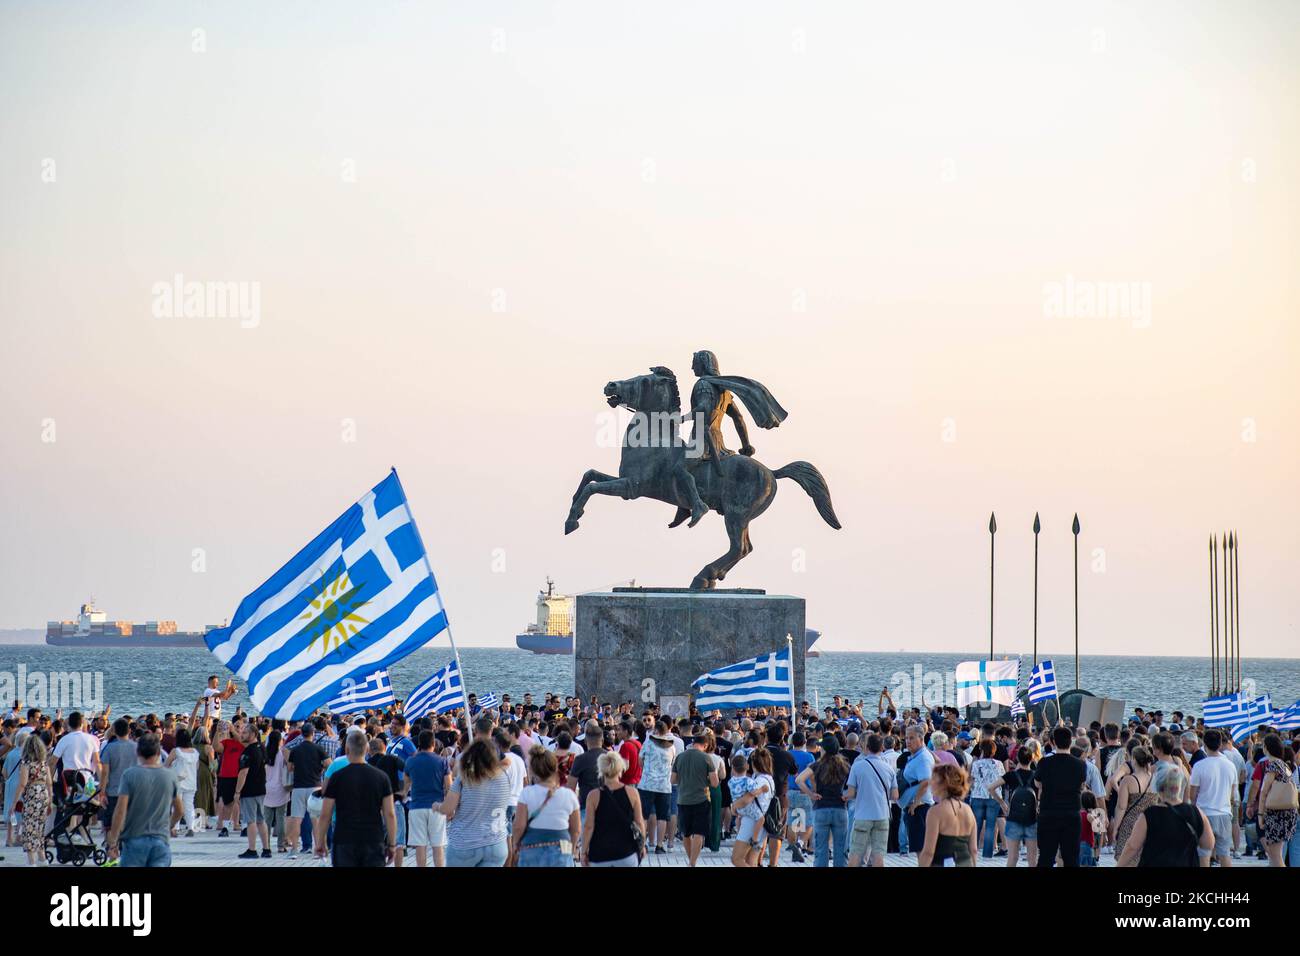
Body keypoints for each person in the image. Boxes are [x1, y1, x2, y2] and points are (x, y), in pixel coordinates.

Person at [316, 730, 397, 867]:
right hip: (373, 839)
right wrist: (392, 844)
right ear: (366, 749)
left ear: (346, 749)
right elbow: (389, 814)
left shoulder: (337, 777)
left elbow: (325, 814)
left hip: (344, 840)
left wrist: (320, 842)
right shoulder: (381, 777)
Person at [107, 734, 183, 868]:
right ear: (159, 752)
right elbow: (179, 810)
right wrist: (168, 826)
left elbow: (120, 811)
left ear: (138, 752)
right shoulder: (170, 776)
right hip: (160, 839)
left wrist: (113, 841)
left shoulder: (130, 775)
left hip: (134, 839)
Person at [1117, 762, 1214, 867]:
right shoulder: (1196, 812)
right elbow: (1209, 844)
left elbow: (1132, 846)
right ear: (1180, 785)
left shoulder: (1150, 814)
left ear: (1158, 787)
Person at [443, 739, 512, 867]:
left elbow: (448, 809)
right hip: (496, 843)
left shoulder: (465, 777)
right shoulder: (504, 777)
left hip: (465, 844)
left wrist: (437, 807)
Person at [512, 745, 581, 867]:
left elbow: (519, 826)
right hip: (562, 849)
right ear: (555, 768)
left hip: (531, 849)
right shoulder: (569, 795)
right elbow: (575, 830)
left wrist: (516, 845)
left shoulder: (527, 793)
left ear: (533, 770)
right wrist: (571, 849)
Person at [582, 750, 646, 867]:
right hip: (627, 853)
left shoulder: (593, 796)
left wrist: (583, 851)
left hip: (599, 854)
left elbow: (588, 826)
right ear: (620, 768)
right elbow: (639, 822)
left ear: (601, 770)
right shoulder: (632, 793)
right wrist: (642, 846)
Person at [1034, 725, 1086, 867]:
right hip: (1071, 815)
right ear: (1071, 741)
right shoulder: (1080, 765)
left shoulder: (1044, 762)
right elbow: (1082, 785)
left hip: (1048, 813)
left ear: (1053, 742)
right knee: (1071, 858)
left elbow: (1037, 783)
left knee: (1046, 856)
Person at [796, 735, 850, 867]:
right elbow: (855, 785)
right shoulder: (845, 766)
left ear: (825, 749)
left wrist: (811, 794)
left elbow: (799, 780)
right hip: (840, 809)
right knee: (840, 849)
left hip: (821, 808)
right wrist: (847, 795)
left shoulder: (817, 765)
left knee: (820, 849)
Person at [844, 733, 896, 867]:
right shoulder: (889, 768)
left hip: (862, 814)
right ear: (882, 747)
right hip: (882, 815)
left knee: (855, 852)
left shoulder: (858, 766)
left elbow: (850, 793)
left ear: (866, 747)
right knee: (878, 854)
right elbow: (895, 795)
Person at [1188, 728, 1237, 867]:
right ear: (1220, 743)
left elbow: (1193, 794)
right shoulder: (1230, 765)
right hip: (1224, 813)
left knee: (1203, 855)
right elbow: (1233, 792)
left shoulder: (1199, 766)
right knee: (1224, 854)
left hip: (1204, 813)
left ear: (1204, 743)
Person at [672, 731, 719, 867]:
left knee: (686, 833)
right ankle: (692, 863)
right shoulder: (706, 758)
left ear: (693, 744)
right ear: (705, 745)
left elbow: (673, 779)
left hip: (683, 799)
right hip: (701, 799)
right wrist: (706, 781)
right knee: (698, 833)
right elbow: (715, 783)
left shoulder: (680, 757)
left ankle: (691, 861)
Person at [405, 730, 452, 867]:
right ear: (433, 743)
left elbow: (407, 784)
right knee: (438, 846)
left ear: (419, 743)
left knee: (420, 846)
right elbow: (449, 786)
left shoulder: (411, 761)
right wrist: (449, 808)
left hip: (416, 806)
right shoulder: (442, 761)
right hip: (437, 807)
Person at [918, 763, 976, 866]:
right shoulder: (968, 810)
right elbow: (973, 849)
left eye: (934, 779)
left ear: (945, 783)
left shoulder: (935, 812)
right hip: (965, 862)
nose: (930, 782)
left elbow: (928, 852)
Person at [1254, 733, 1297, 867]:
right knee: (1275, 855)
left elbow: (1264, 793)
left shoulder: (1272, 766)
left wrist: (1260, 815)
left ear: (1266, 748)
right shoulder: (1285, 765)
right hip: (1288, 813)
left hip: (1276, 814)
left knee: (1275, 855)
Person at [285, 721, 326, 858]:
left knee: (297, 818)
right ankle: (318, 851)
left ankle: (294, 850)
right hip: (315, 786)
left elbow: (290, 768)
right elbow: (329, 764)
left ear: (302, 734)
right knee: (316, 820)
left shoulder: (295, 750)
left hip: (299, 787)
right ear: (313, 734)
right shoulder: (318, 749)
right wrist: (319, 770)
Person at [727, 749, 774, 867]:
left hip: (750, 822)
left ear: (753, 764)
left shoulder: (758, 780)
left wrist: (733, 807)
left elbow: (746, 800)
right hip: (760, 824)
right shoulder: (768, 779)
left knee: (736, 859)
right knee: (750, 861)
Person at [1111, 745, 1157, 858]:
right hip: (1150, 824)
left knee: (1127, 858)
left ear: (1135, 760)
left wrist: (1116, 828)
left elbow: (1121, 807)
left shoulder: (1128, 780)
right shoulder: (1156, 779)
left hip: (1130, 824)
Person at [234, 723, 270, 859]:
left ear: (253, 734)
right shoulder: (262, 748)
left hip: (249, 790)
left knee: (251, 821)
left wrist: (237, 791)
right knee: (261, 820)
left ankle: (252, 849)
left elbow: (243, 773)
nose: (242, 735)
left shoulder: (248, 752)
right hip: (261, 788)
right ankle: (266, 849)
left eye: (245, 733)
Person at [638, 722, 675, 854]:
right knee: (662, 817)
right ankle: (659, 845)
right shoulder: (671, 746)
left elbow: (640, 761)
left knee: (644, 816)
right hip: (664, 786)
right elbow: (672, 763)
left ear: (656, 731)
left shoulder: (648, 743)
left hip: (647, 784)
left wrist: (648, 770)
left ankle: (642, 844)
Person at [15, 733, 52, 865]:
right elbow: (49, 783)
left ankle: (31, 862)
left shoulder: (26, 764)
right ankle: (42, 859)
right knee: (40, 828)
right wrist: (50, 800)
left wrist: (14, 802)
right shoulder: (44, 764)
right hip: (44, 794)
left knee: (29, 828)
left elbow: (23, 784)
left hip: (32, 795)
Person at [900, 724, 935, 855]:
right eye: (906, 738)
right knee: (920, 849)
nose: (908, 741)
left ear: (921, 739)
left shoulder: (922, 758)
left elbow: (925, 781)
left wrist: (915, 803)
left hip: (920, 808)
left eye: (912, 738)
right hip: (917, 806)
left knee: (922, 849)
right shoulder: (918, 755)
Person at [98, 717, 137, 834]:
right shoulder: (136, 747)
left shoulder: (109, 748)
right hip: (132, 790)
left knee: (110, 825)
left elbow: (105, 772)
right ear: (129, 730)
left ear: (114, 731)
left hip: (113, 791)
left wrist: (102, 791)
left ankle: (112, 848)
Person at [968, 738, 1004, 859]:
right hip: (993, 797)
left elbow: (971, 780)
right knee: (990, 825)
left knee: (976, 824)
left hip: (978, 795)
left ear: (982, 750)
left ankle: (972, 850)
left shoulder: (976, 764)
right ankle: (987, 853)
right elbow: (1002, 779)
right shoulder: (999, 764)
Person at [163, 726, 200, 837]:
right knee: (189, 805)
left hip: (177, 781)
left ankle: (175, 828)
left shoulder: (176, 751)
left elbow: (166, 764)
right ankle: (190, 827)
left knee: (176, 806)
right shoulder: (195, 752)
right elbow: (197, 767)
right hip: (191, 781)